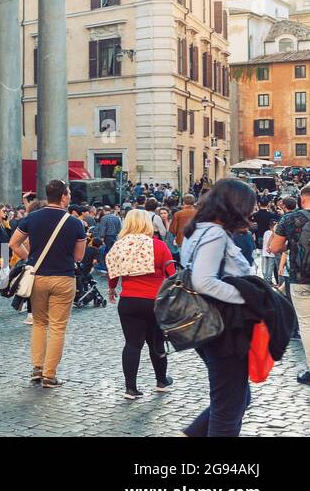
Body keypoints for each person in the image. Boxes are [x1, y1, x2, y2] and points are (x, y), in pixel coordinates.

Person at [178, 179, 259, 437]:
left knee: (237, 397)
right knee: (228, 408)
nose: (250, 213)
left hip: (210, 325)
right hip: (224, 328)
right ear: (235, 206)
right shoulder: (213, 233)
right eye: (247, 207)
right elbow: (203, 281)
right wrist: (247, 297)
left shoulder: (197, 230)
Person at [8, 179, 87, 388]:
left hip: (38, 277)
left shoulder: (32, 218)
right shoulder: (74, 222)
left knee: (39, 323)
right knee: (58, 328)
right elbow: (79, 257)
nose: (69, 197)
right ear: (63, 197)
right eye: (68, 194)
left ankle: (37, 368)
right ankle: (50, 376)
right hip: (63, 278)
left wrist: (29, 259)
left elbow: (13, 243)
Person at [106, 209, 175, 399]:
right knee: (157, 342)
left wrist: (112, 290)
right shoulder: (158, 246)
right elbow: (171, 273)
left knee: (132, 344)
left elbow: (113, 272)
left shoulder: (119, 246)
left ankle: (131, 388)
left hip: (129, 301)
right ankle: (161, 380)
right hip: (155, 301)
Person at [267, 183, 310, 385]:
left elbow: (274, 248)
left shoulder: (290, 218)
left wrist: (290, 243)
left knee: (307, 324)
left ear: (302, 199)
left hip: (301, 278)